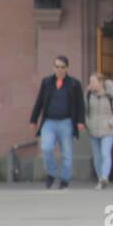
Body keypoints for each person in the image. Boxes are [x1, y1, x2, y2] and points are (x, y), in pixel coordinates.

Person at [29, 55, 85, 190]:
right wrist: (33, 119)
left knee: (67, 153)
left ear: (67, 68)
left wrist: (80, 121)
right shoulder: (47, 82)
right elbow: (40, 101)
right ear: (53, 67)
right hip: (49, 122)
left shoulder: (74, 84)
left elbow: (80, 104)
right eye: (57, 67)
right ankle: (51, 173)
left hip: (66, 122)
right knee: (46, 148)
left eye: (62, 67)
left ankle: (65, 179)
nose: (59, 70)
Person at [85, 72, 113, 189]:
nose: (91, 84)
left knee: (105, 153)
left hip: (107, 130)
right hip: (93, 130)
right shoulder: (88, 95)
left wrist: (110, 123)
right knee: (97, 156)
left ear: (100, 82)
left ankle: (104, 177)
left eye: (93, 82)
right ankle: (100, 178)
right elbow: (84, 111)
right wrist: (87, 123)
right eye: (90, 82)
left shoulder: (111, 95)